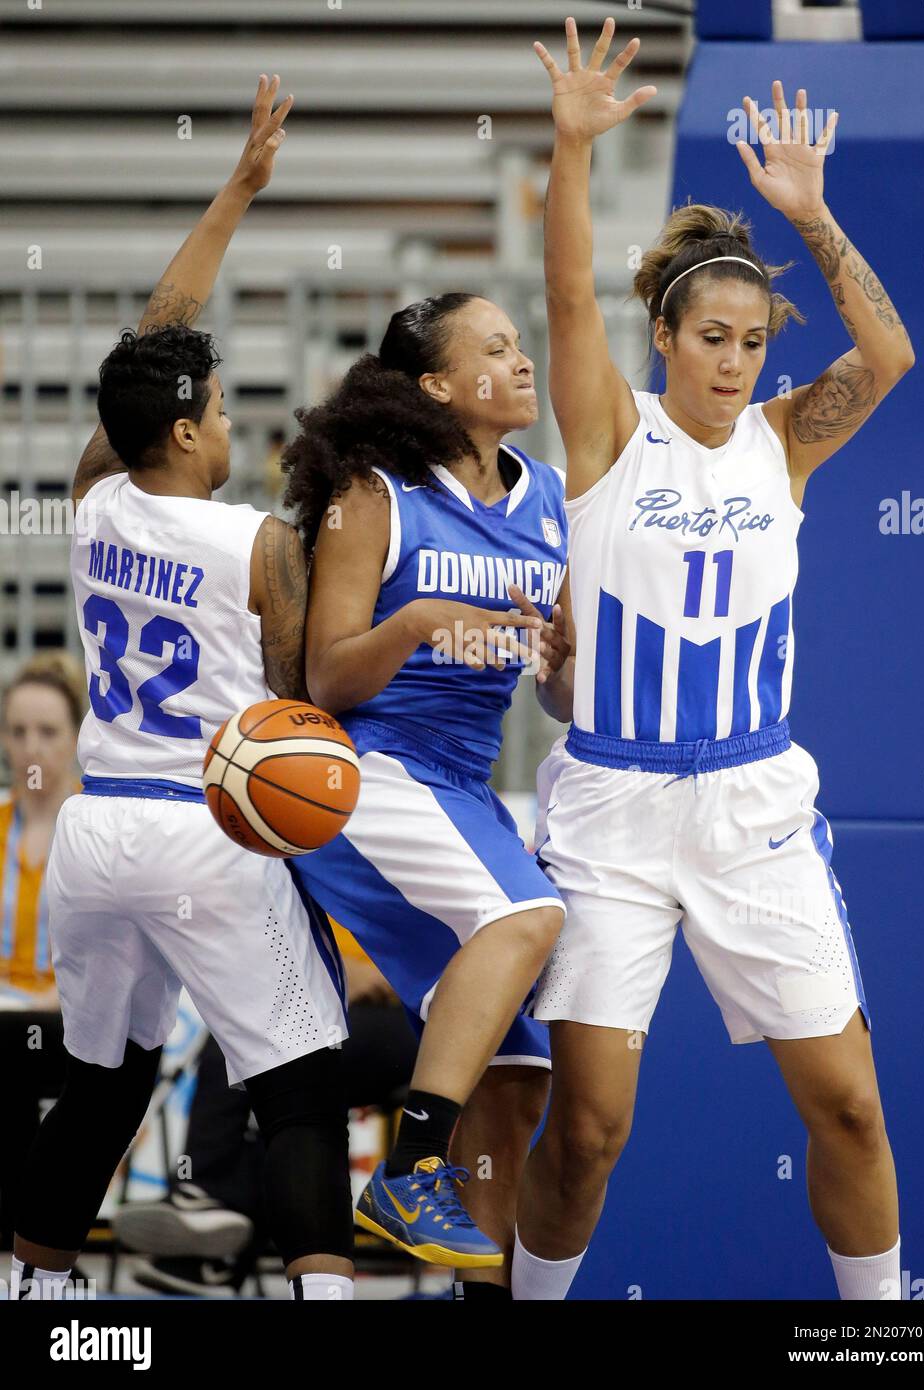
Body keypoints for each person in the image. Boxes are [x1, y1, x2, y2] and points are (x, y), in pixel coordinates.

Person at [513, 19, 915, 1301]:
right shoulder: (605, 431)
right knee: (588, 1131)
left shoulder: (784, 439)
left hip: (751, 805)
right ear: (667, 340)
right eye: (711, 339)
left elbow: (891, 355)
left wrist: (810, 214)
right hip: (613, 804)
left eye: (751, 341)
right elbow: (568, 294)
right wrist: (571, 148)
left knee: (848, 1105)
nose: (735, 362)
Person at [9, 76, 356, 1304]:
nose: (228, 419)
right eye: (215, 409)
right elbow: (297, 696)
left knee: (103, 1085)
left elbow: (142, 357)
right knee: (303, 1086)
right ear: (191, 433)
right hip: (213, 826)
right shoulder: (258, 541)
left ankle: (31, 1299)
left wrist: (235, 191)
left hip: (99, 834)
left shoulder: (97, 495)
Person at [281, 293, 574, 1292]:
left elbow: (559, 691)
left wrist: (564, 655)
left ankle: (474, 1285)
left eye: (520, 341)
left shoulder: (550, 501)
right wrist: (418, 625)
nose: (523, 359)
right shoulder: (377, 493)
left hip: (462, 786)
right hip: (369, 772)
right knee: (531, 913)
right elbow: (326, 678)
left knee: (519, 1079)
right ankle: (408, 1166)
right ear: (440, 386)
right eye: (496, 347)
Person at [114, 925, 418, 1298]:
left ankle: (210, 1206)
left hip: (403, 1013)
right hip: (320, 999)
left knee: (276, 1054)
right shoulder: (292, 872)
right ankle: (214, 1246)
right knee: (243, 1039)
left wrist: (353, 973)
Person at [0, 654, 85, 1249]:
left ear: (78, 737)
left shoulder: (97, 829)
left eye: (49, 732)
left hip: (74, 1024)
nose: (32, 749)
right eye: (18, 731)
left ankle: (25, 1243)